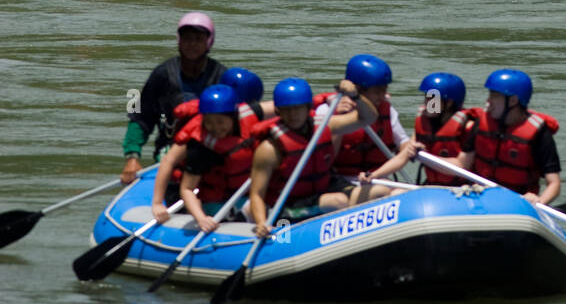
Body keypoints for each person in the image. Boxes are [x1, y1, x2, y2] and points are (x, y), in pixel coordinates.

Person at [247, 78, 398, 234]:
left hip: (323, 188)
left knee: (379, 192)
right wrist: (261, 223)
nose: (293, 115)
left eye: (297, 108)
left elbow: (368, 118)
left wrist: (355, 95)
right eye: (287, 109)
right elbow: (257, 193)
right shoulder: (269, 149)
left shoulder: (325, 125)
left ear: (307, 108)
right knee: (338, 202)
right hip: (289, 204)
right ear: (279, 111)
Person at [120, 11, 226, 184]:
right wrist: (132, 157)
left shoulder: (221, 77)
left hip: (212, 151)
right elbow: (139, 117)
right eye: (187, 38)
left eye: (198, 39)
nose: (192, 44)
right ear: (179, 41)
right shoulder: (161, 74)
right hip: (170, 152)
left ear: (209, 42)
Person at [150, 68, 269, 221]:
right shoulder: (198, 140)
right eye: (210, 122)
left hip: (241, 191)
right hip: (209, 195)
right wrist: (157, 203)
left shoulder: (248, 114)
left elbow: (282, 108)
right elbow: (169, 161)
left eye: (221, 122)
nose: (216, 128)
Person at [453, 69, 561, 206]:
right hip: (479, 195)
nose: (488, 101)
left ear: (513, 100)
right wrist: (421, 151)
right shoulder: (482, 122)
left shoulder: (539, 133)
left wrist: (540, 201)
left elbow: (554, 183)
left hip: (517, 202)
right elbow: (462, 163)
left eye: (494, 96)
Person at [313, 54, 415, 183]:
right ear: (358, 90)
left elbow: (403, 144)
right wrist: (339, 116)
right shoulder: (327, 111)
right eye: (377, 91)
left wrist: (412, 147)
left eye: (384, 90)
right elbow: (325, 160)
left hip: (377, 179)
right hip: (338, 181)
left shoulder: (387, 111)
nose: (383, 95)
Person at [413, 72, 481, 185]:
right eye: (426, 98)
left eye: (431, 100)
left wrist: (423, 157)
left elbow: (462, 165)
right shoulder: (425, 123)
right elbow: (405, 153)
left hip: (462, 189)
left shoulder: (469, 128)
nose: (426, 104)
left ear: (448, 103)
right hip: (432, 186)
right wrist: (375, 175)